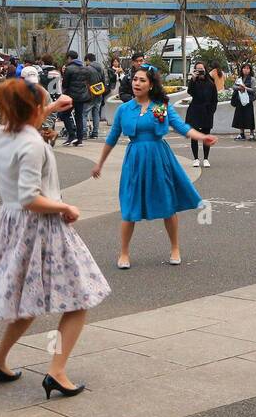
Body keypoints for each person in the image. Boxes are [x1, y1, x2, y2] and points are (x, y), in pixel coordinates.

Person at [0, 78, 109, 398]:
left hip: (12, 225)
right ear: (33, 109)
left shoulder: (2, 134)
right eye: (44, 102)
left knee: (28, 300)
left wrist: (50, 108)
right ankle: (56, 370)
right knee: (79, 299)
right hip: (41, 226)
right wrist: (65, 206)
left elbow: (26, 132)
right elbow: (30, 197)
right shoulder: (33, 145)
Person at [92, 66, 216, 267]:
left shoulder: (162, 105)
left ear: (151, 85)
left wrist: (202, 137)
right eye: (134, 79)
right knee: (129, 204)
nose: (136, 83)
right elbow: (112, 138)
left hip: (159, 157)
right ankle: (124, 253)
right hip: (135, 159)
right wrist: (100, 163)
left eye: (142, 80)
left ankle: (175, 248)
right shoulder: (124, 109)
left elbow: (181, 127)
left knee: (167, 203)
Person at [184, 61, 218, 167]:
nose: (199, 71)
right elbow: (190, 92)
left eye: (201, 69)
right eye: (197, 69)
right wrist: (193, 79)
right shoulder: (194, 82)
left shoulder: (211, 83)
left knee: (205, 134)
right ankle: (196, 158)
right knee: (194, 135)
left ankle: (206, 158)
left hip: (207, 111)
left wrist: (211, 111)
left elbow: (214, 99)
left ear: (205, 69)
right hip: (194, 110)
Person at [61, 50, 93, 146]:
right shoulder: (84, 68)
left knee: (64, 115)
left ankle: (71, 135)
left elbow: (65, 84)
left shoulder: (69, 69)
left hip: (71, 96)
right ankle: (79, 139)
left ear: (69, 58)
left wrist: (63, 73)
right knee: (78, 117)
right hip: (82, 96)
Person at [84, 53, 107, 139]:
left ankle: (83, 132)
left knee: (84, 113)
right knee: (96, 113)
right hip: (99, 93)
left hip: (89, 94)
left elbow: (84, 81)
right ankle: (95, 133)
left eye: (86, 61)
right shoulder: (101, 68)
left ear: (88, 60)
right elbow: (104, 81)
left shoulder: (87, 69)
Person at [231, 70, 256, 141]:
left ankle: (252, 133)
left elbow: (254, 89)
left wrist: (245, 88)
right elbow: (234, 86)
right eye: (244, 68)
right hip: (240, 100)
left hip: (248, 101)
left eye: (247, 68)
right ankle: (241, 133)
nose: (246, 70)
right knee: (240, 116)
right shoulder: (239, 78)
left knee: (249, 116)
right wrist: (239, 88)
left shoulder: (252, 79)